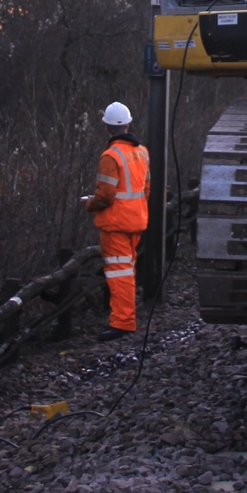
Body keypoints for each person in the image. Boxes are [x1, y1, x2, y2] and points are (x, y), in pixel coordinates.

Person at [86, 101, 149, 341]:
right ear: (129, 125)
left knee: (118, 273)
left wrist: (90, 204)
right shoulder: (142, 152)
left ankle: (123, 322)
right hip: (136, 221)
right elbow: (147, 188)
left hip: (116, 224)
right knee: (127, 271)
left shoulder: (110, 156)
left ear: (106, 128)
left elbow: (105, 195)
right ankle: (125, 318)